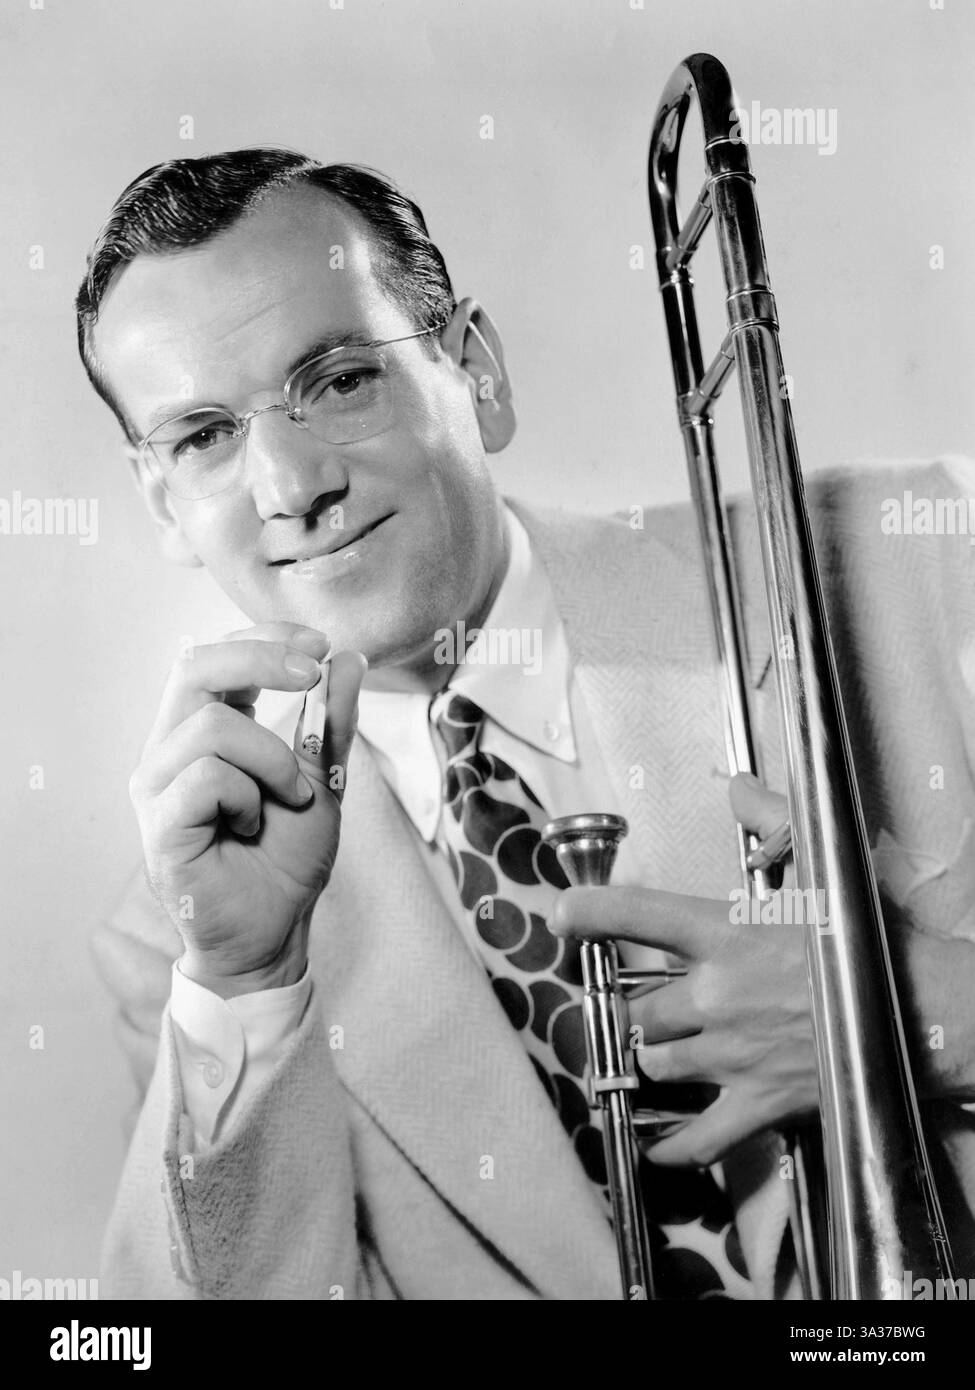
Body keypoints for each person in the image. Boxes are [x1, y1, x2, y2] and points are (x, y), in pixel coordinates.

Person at [79, 149, 975, 1300]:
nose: (291, 482)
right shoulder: (182, 952)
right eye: (203, 435)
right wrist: (247, 983)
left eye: (342, 377)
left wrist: (909, 1018)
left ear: (477, 370)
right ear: (163, 497)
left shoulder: (918, 564)